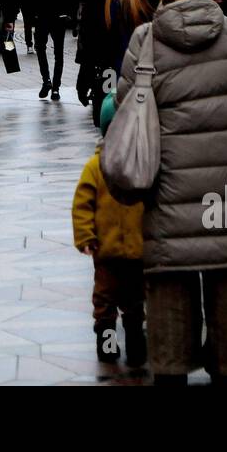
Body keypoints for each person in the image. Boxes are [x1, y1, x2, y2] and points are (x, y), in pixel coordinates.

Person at [110, 0, 227, 386]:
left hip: (168, 179)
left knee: (170, 271)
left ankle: (172, 366)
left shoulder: (146, 38)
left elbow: (125, 103)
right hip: (226, 178)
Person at [72, 92, 145, 366]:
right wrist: (86, 237)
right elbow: (82, 204)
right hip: (105, 250)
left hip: (137, 250)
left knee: (135, 301)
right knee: (104, 301)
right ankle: (107, 341)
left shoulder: (141, 166)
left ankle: (137, 341)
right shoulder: (95, 167)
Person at [78, 0, 157, 126]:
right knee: (110, 117)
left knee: (140, 120)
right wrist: (84, 75)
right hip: (108, 68)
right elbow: (88, 37)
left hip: (140, 68)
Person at [27, 0, 77, 101]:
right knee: (59, 52)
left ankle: (46, 80)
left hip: (43, 15)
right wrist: (69, 12)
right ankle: (56, 87)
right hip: (60, 16)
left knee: (40, 48)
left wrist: (33, 13)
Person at [73, 0, 107, 107]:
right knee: (90, 59)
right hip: (89, 23)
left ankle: (99, 94)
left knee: (100, 61)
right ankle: (88, 89)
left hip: (103, 24)